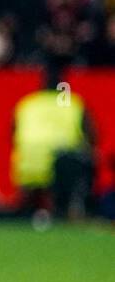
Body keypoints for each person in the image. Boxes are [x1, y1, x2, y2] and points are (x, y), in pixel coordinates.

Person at [11, 60, 96, 221]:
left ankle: (30, 212)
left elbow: (13, 135)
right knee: (84, 159)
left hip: (27, 168)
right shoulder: (73, 104)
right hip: (61, 169)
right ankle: (77, 210)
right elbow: (92, 137)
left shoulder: (27, 104)